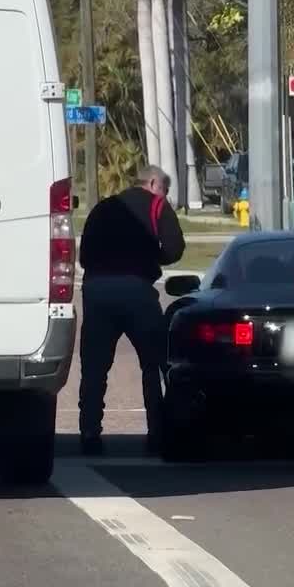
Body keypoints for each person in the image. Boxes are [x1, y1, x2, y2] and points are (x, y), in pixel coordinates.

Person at [78, 164, 186, 455]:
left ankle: (89, 432)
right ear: (153, 183)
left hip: (98, 290)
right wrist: (152, 258)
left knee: (94, 369)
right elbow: (176, 248)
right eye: (164, 188)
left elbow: (83, 255)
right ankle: (157, 432)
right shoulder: (157, 206)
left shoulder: (103, 207)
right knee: (153, 364)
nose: (165, 195)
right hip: (137, 291)